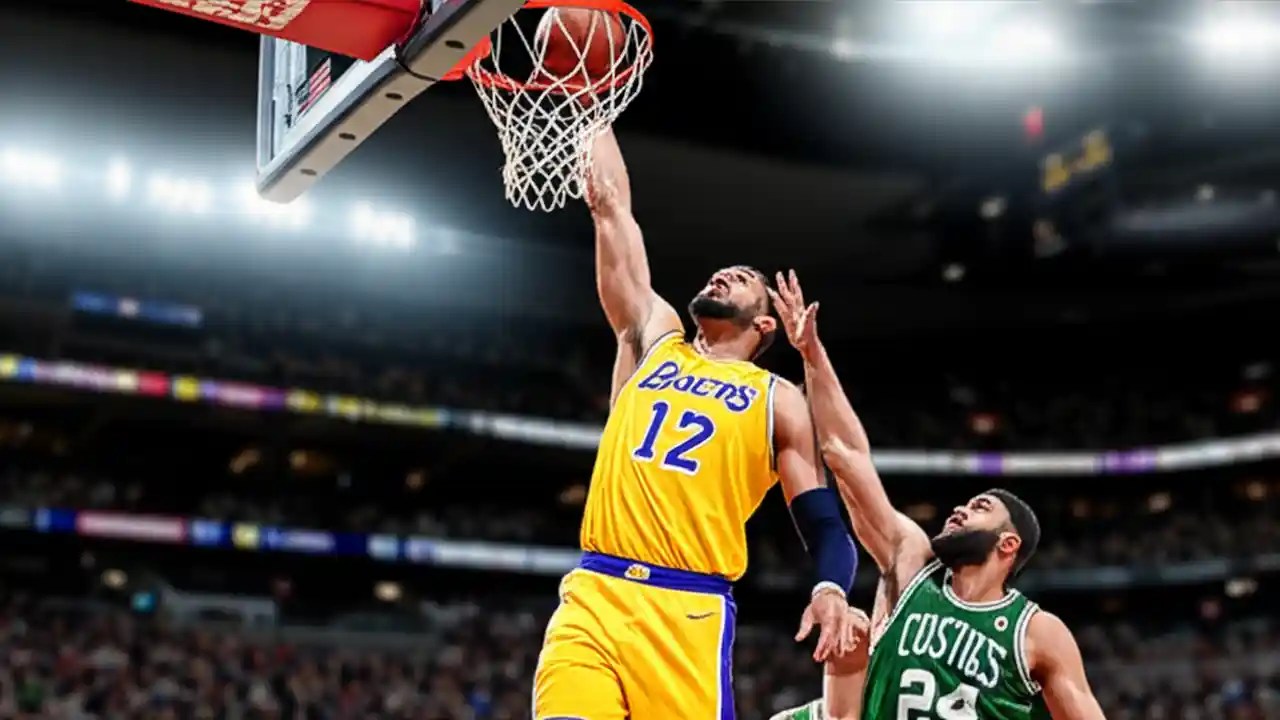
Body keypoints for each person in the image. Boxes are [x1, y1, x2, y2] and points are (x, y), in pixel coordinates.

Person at [531, 129, 864, 720]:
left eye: (741, 277)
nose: (722, 275)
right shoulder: (655, 337)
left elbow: (823, 522)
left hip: (686, 610)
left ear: (765, 325)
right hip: (594, 593)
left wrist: (830, 588)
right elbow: (612, 210)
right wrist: (593, 104)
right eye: (721, 271)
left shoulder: (777, 399)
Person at [766, 272, 1106, 720]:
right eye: (966, 504)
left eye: (981, 508)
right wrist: (811, 353)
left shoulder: (1037, 632)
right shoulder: (911, 562)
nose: (961, 509)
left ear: (1009, 544)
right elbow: (845, 456)